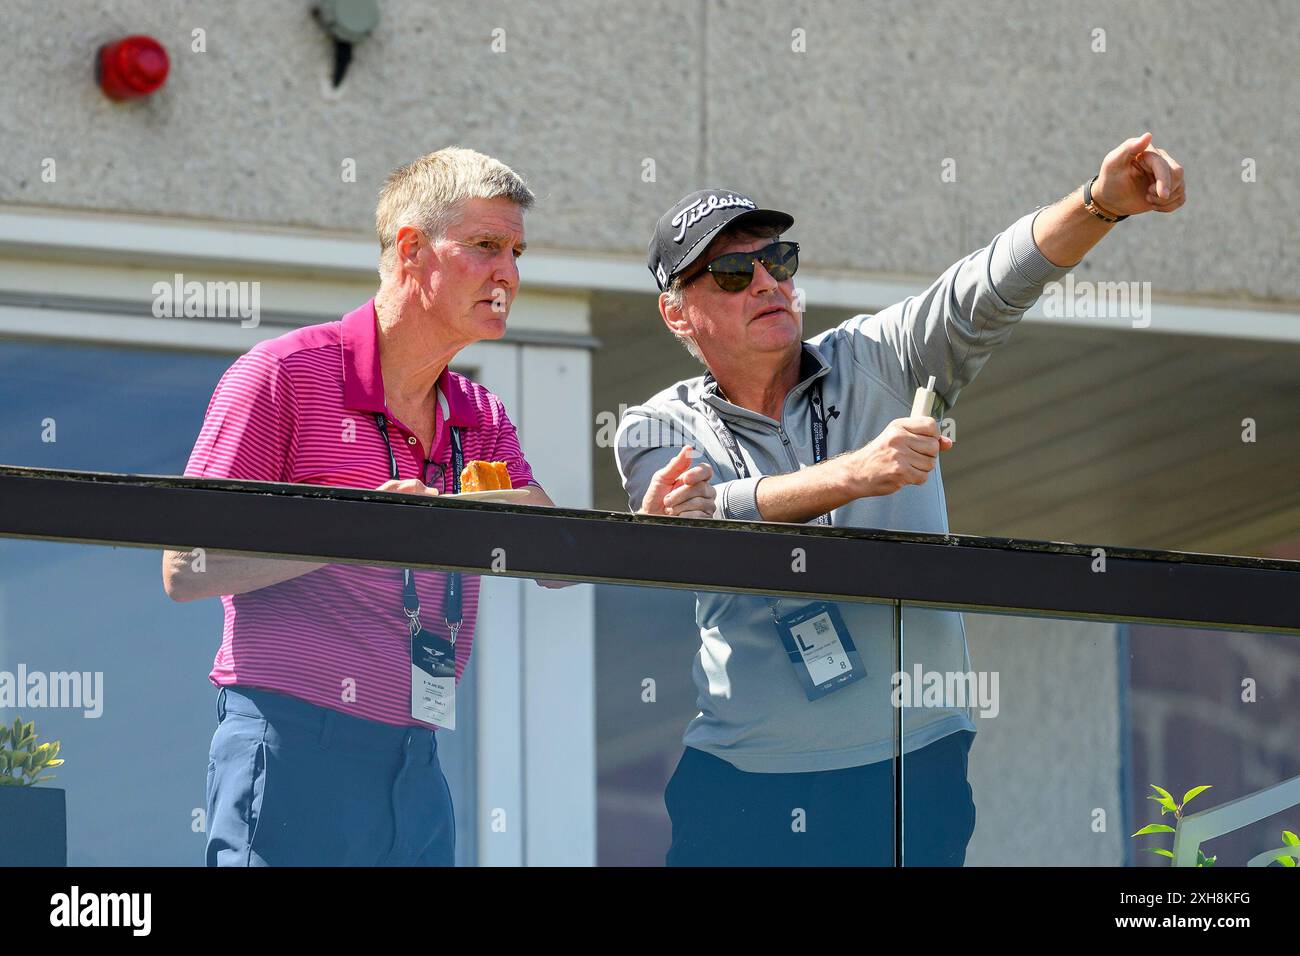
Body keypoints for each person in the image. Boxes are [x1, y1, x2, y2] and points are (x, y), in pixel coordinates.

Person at [617, 134, 1185, 865]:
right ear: (677, 313)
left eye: (777, 261)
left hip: (907, 770)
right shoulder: (655, 425)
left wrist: (1101, 203)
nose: (766, 282)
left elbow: (989, 282)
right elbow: (694, 524)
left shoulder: (876, 356)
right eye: (731, 272)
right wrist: (858, 473)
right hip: (742, 781)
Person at [162, 146, 563, 866]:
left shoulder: (481, 412)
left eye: (516, 252)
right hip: (290, 741)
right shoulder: (281, 375)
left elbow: (554, 564)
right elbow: (186, 567)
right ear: (412, 249)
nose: (509, 273)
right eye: (485, 246)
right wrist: (356, 533)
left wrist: (647, 521)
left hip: (416, 756)